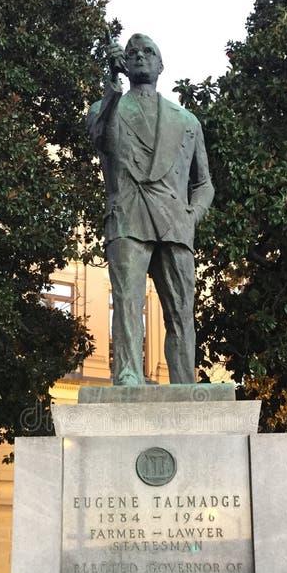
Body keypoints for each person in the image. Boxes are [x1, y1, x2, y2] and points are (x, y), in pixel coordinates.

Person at [87, 33, 214, 385]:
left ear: (161, 65)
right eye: (132, 53)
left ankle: (184, 380)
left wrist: (193, 215)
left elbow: (204, 183)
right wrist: (110, 88)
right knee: (127, 300)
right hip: (127, 215)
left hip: (175, 222)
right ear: (124, 64)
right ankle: (128, 373)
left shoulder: (187, 121)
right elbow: (104, 141)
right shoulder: (103, 108)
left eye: (148, 52)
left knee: (181, 311)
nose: (140, 56)